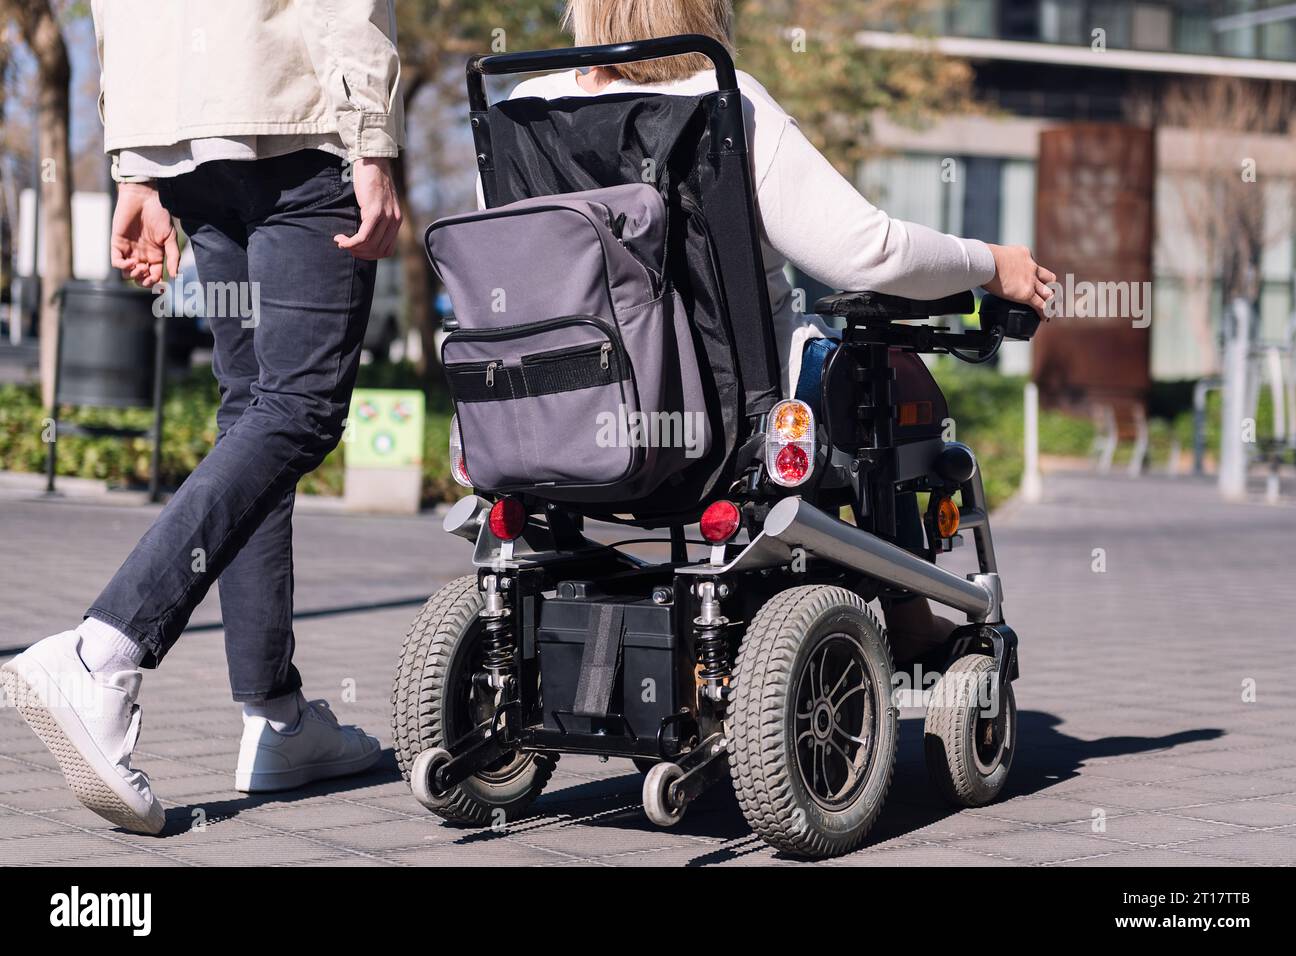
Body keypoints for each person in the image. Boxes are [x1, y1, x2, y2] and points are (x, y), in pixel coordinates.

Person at [514, 0, 1055, 661]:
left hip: (564, 416)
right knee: (886, 377)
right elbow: (869, 253)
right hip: (723, 419)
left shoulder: (526, 104)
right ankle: (908, 614)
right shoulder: (723, 101)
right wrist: (991, 263)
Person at [1, 0, 404, 835]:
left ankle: (276, 717)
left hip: (185, 133)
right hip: (292, 120)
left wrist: (136, 165)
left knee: (252, 410)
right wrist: (371, 137)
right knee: (297, 410)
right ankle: (102, 650)